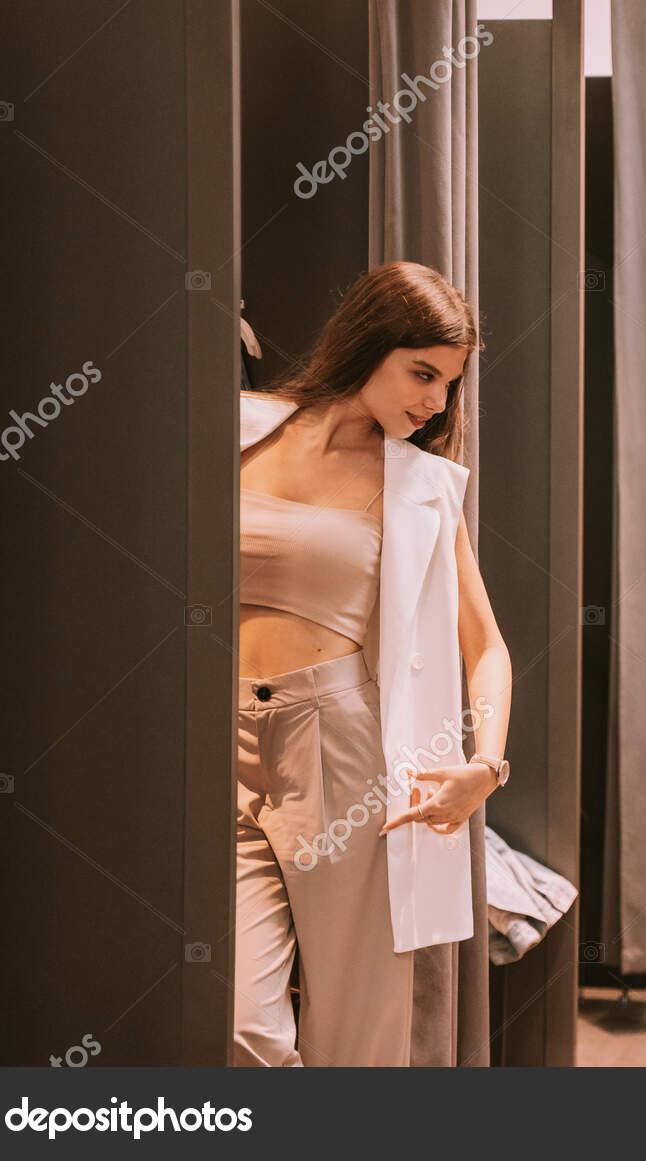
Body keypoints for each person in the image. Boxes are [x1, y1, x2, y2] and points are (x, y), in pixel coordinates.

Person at [236, 261, 513, 1066]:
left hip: (340, 752)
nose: (437, 403)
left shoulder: (422, 487)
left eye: (450, 384)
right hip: (220, 740)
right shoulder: (240, 428)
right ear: (367, 342)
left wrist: (486, 765)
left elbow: (487, 646)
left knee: (357, 1040)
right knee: (240, 1025)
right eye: (422, 373)